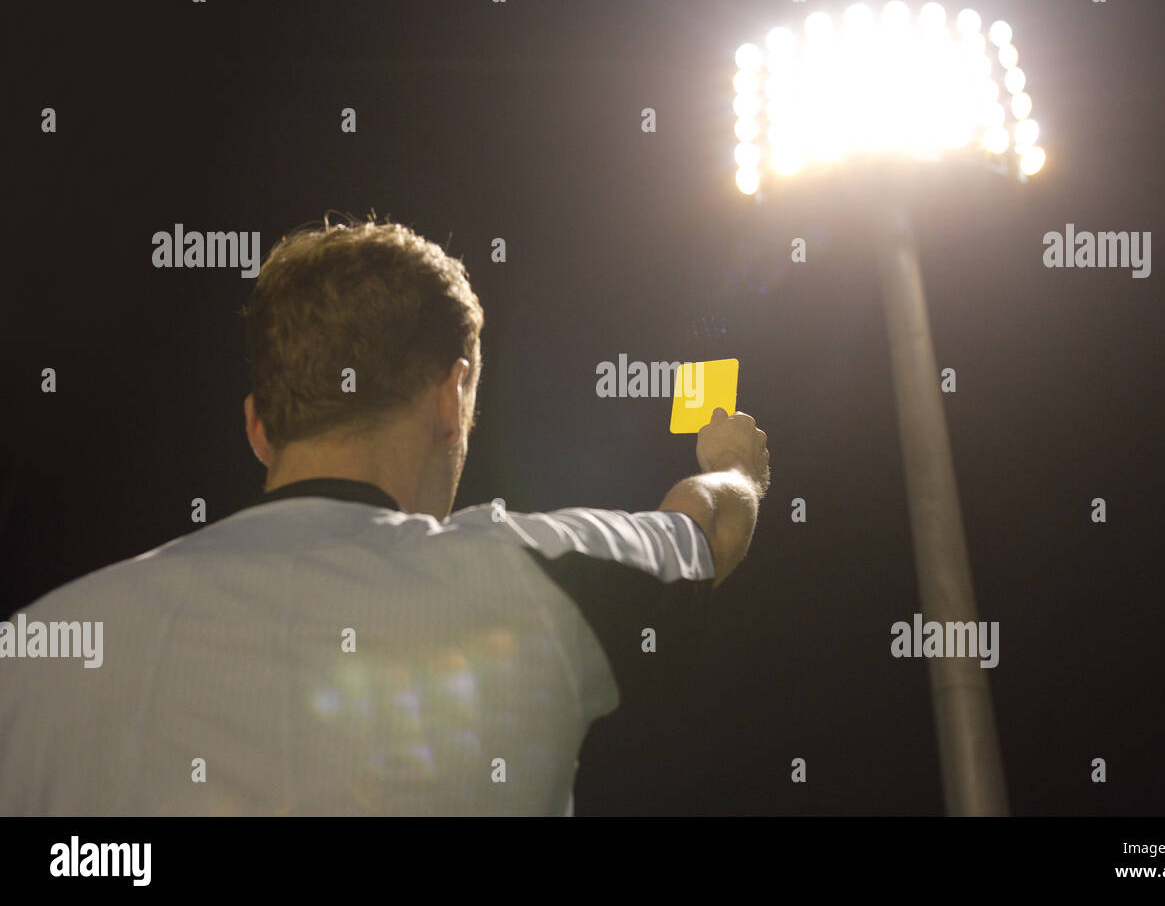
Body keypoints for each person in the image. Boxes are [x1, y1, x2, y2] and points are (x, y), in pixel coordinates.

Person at [0, 218, 769, 815]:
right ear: (452, 395)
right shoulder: (533, 576)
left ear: (258, 426)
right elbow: (710, 529)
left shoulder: (36, 647)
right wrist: (737, 464)